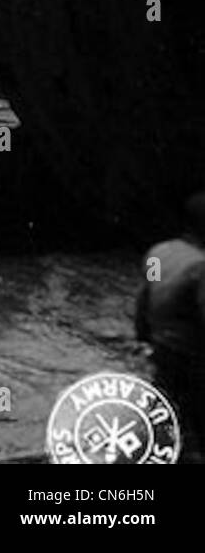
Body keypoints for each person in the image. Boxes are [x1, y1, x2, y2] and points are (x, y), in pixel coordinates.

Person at [135, 190, 205, 462]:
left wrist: (143, 338)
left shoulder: (158, 252)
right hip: (192, 358)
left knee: (167, 418)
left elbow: (144, 297)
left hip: (160, 350)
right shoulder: (200, 266)